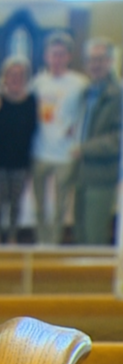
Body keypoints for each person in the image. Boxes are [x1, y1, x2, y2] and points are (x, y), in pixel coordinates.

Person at [31, 32, 87, 245]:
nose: (57, 59)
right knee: (39, 204)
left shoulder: (80, 83)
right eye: (53, 54)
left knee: (60, 206)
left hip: (66, 153)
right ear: (46, 56)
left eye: (61, 54)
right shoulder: (37, 82)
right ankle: (41, 241)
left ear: (69, 57)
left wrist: (79, 138)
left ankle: (53, 244)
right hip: (39, 152)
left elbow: (86, 115)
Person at [72, 38, 122, 245]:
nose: (95, 64)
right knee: (79, 234)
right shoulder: (86, 92)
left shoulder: (118, 95)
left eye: (100, 59)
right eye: (91, 59)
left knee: (94, 238)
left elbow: (118, 139)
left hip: (102, 176)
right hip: (82, 173)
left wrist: (85, 148)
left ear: (110, 61)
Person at [0, 55, 37, 245]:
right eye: (11, 74)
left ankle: (13, 236)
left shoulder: (32, 101)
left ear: (26, 78)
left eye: (20, 75)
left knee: (16, 204)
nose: (16, 78)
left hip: (21, 164)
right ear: (4, 76)